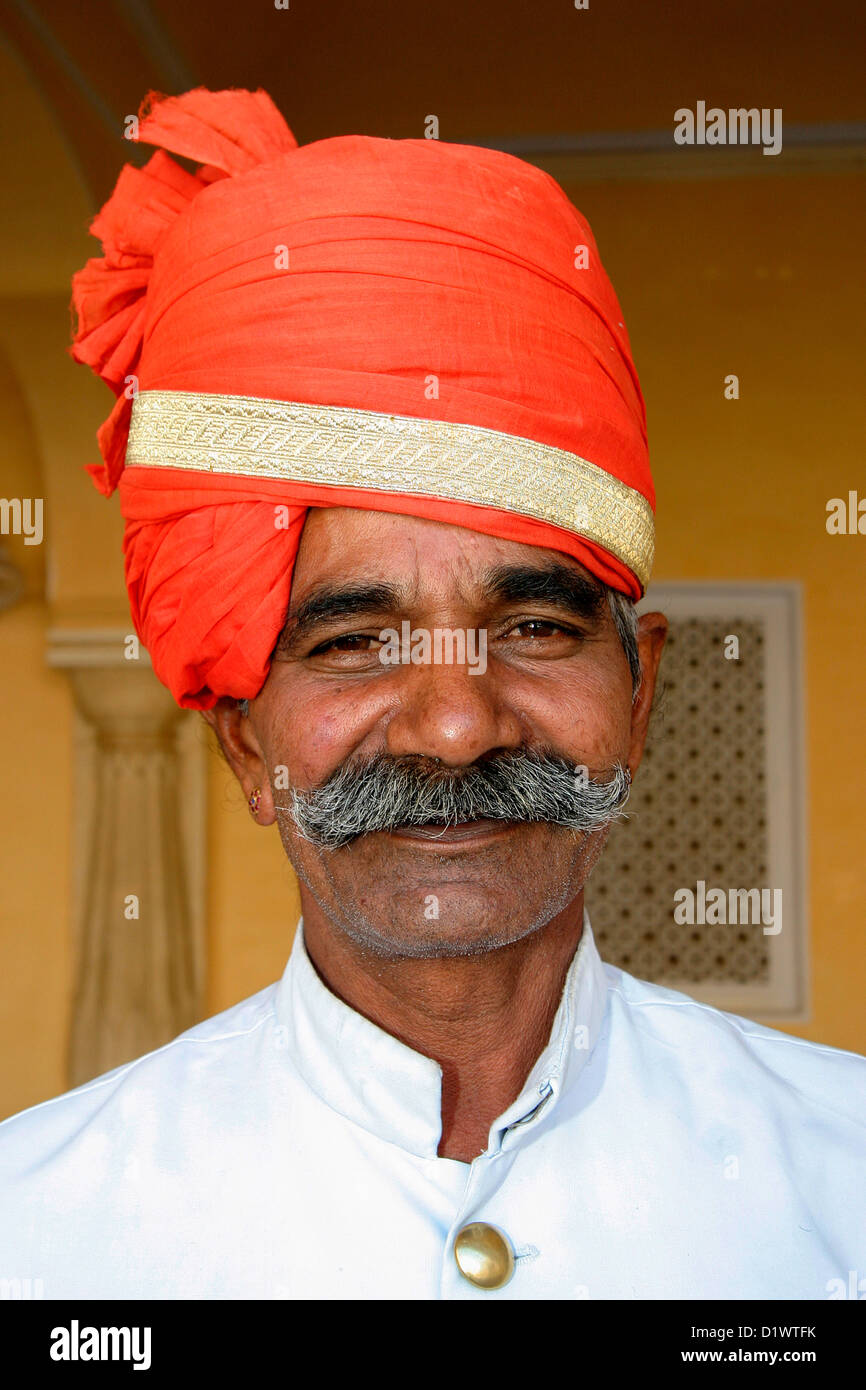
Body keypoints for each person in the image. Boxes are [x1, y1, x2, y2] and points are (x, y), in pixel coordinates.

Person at [0, 88, 862, 1300]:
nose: (456, 725)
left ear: (641, 690)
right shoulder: (39, 1236)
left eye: (533, 626)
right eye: (353, 643)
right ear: (244, 745)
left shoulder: (841, 1184)